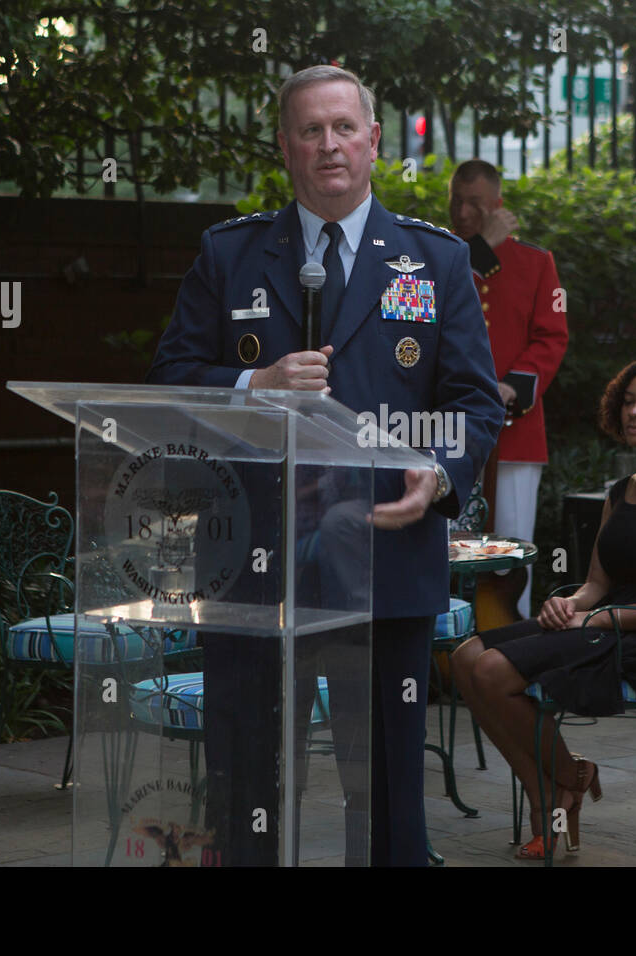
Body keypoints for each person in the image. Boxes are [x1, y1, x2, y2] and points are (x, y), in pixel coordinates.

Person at [146, 64, 504, 866]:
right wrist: (254, 384)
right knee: (245, 783)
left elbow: (477, 403)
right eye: (311, 131)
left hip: (381, 553)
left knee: (381, 789)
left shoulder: (435, 260)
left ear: (374, 140)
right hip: (252, 565)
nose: (329, 145)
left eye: (345, 128)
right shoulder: (230, 253)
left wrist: (438, 473)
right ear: (286, 147)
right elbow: (170, 378)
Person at [452, 355, 636, 860]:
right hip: (603, 621)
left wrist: (595, 616)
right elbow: (597, 582)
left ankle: (564, 785)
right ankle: (562, 784)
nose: (635, 413)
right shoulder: (622, 491)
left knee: (493, 670)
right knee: (464, 657)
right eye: (628, 402)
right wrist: (569, 604)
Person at [448, 159, 569, 617]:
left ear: (498, 204)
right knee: (447, 543)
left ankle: (508, 642)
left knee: (511, 547)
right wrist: (482, 248)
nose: (461, 212)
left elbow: (551, 336)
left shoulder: (536, 262)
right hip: (447, 424)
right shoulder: (436, 254)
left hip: (515, 429)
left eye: (474, 203)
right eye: (456, 201)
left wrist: (512, 389)